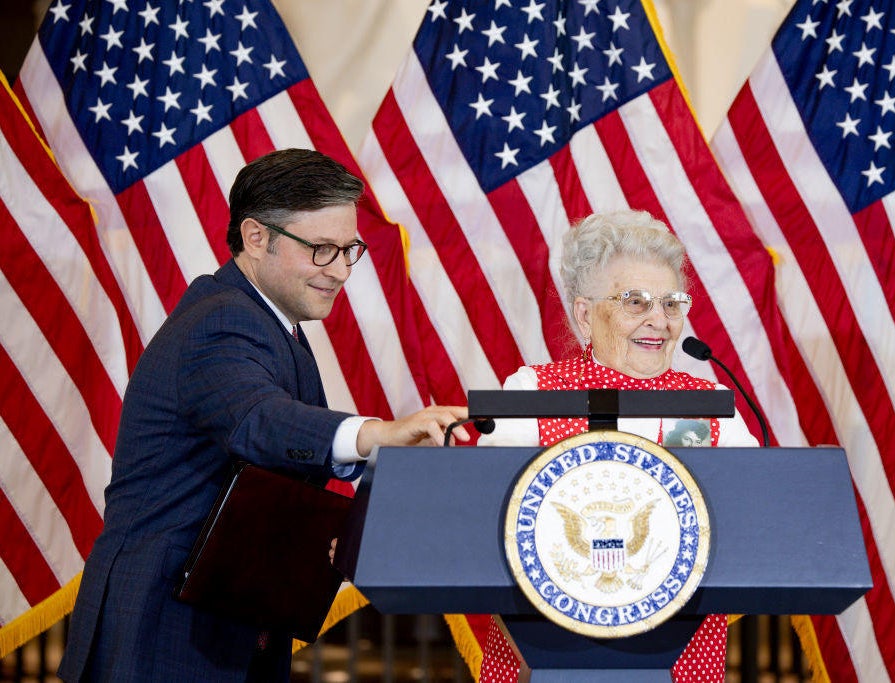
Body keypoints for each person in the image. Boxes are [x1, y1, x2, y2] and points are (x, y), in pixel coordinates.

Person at [58, 149, 468, 683]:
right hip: (165, 634)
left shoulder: (275, 326)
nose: (342, 271)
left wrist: (388, 460)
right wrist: (377, 434)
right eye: (322, 249)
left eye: (350, 250)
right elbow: (260, 422)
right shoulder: (222, 318)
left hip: (229, 623)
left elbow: (286, 457)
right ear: (256, 237)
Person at [477, 209, 757, 683]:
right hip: (543, 654)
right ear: (585, 314)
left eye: (671, 303)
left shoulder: (708, 409)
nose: (660, 321)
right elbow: (482, 521)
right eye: (635, 302)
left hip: (682, 660)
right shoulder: (532, 394)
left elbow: (758, 520)